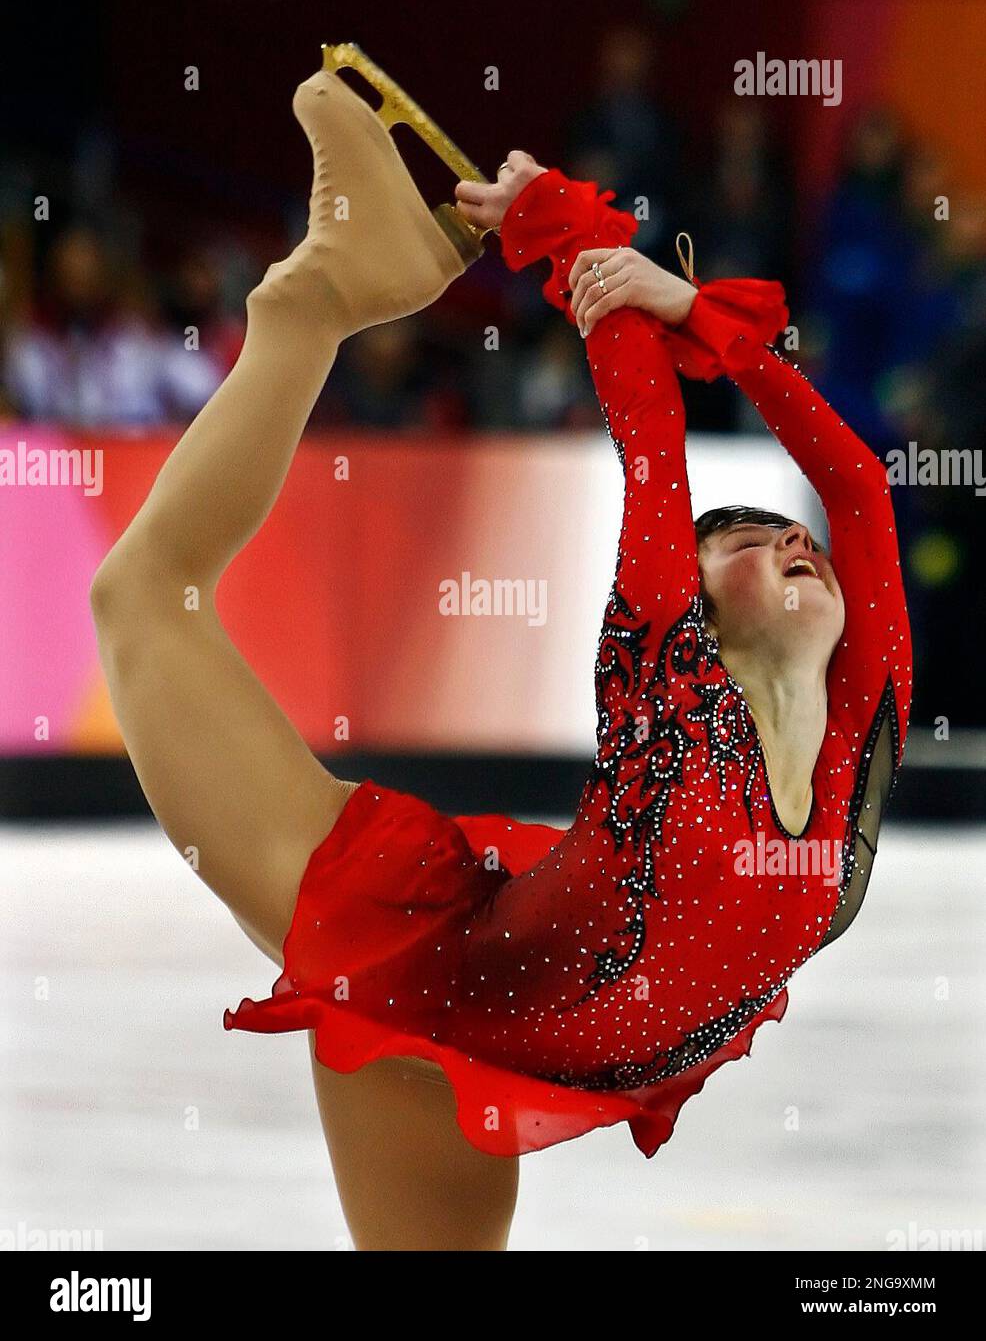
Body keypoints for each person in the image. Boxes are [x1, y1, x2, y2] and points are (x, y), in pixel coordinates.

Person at [90, 68, 911, 1252]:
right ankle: (310, 306)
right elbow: (652, 449)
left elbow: (857, 487)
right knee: (141, 597)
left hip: (484, 1027)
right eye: (741, 538)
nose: (793, 536)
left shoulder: (857, 740)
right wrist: (583, 252)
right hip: (410, 956)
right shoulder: (666, 692)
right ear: (692, 615)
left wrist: (689, 307)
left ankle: (336, 286)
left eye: (785, 534)